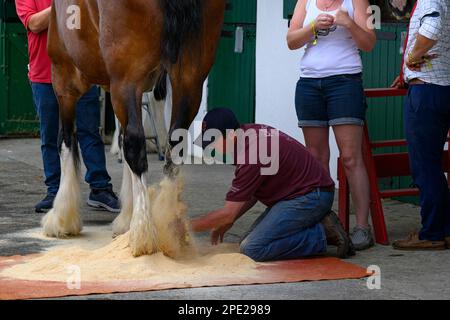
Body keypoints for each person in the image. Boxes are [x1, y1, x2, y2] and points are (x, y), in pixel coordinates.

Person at [190, 108, 355, 262]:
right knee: (247, 243)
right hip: (299, 194)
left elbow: (228, 212)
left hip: (312, 196)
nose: (213, 148)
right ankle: (312, 224)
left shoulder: (251, 154)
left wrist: (186, 227)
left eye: (215, 142)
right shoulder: (247, 135)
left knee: (252, 249)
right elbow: (252, 193)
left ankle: (323, 234)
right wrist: (228, 220)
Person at [286, 0, 376, 250]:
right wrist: (312, 27)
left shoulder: (358, 2)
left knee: (350, 157)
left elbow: (369, 43)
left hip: (345, 82)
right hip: (309, 84)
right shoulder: (304, 1)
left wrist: (349, 23)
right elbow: (291, 41)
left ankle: (362, 228)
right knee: (316, 158)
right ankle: (324, 223)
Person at [16, 0, 120, 213]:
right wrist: (60, 4)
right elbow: (34, 23)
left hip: (82, 70)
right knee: (51, 135)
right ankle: (55, 190)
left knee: (89, 131)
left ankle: (100, 189)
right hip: (43, 76)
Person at [391, 0, 450, 250]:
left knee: (426, 167)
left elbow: (433, 28)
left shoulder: (430, 0)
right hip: (441, 87)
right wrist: (406, 73)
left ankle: (433, 233)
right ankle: (444, 229)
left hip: (426, 91)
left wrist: (412, 57)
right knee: (434, 164)